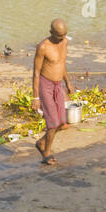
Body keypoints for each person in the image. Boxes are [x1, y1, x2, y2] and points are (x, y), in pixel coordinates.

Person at [32, 18, 72, 166]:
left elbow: (61, 64)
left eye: (64, 35)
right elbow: (36, 73)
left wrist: (67, 82)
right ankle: (46, 153)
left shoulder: (65, 42)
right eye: (59, 36)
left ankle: (42, 142)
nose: (62, 38)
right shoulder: (43, 47)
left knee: (63, 123)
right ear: (51, 33)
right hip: (45, 85)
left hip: (58, 85)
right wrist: (36, 97)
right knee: (53, 124)